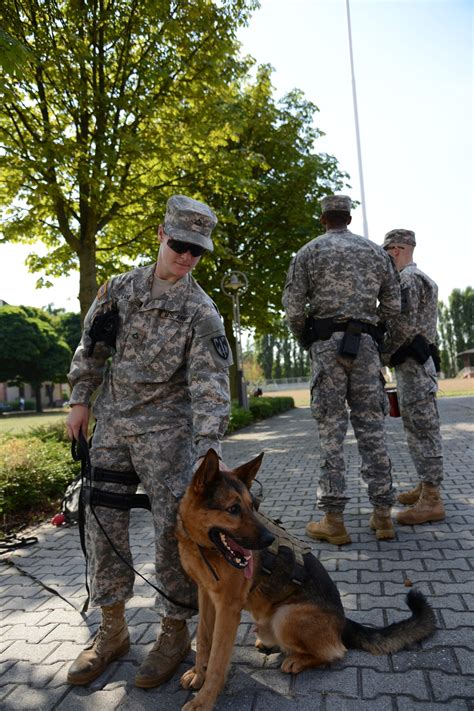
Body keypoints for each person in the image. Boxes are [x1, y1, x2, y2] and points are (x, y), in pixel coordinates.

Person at [66, 195, 232, 688]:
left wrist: (210, 446)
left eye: (197, 251)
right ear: (160, 235)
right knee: (102, 524)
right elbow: (91, 345)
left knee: (171, 534)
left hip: (170, 435)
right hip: (114, 426)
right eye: (180, 245)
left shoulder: (202, 311)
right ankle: (112, 630)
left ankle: (174, 632)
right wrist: (80, 398)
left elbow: (209, 385)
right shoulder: (118, 289)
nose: (186, 257)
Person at [282, 194, 401, 544]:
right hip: (364, 346)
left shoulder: (308, 252)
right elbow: (394, 305)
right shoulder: (375, 253)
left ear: (323, 219)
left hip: (326, 346)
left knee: (331, 434)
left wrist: (308, 339)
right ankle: (383, 516)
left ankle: (333, 519)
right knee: (373, 431)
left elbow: (292, 308)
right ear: (348, 218)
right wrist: (370, 329)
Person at [380, 228, 445, 525]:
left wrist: (381, 355)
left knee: (422, 432)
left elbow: (403, 327)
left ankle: (431, 499)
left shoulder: (406, 280)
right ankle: (426, 486)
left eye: (386, 253)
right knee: (422, 430)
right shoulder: (425, 279)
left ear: (395, 250)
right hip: (420, 366)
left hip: (413, 367)